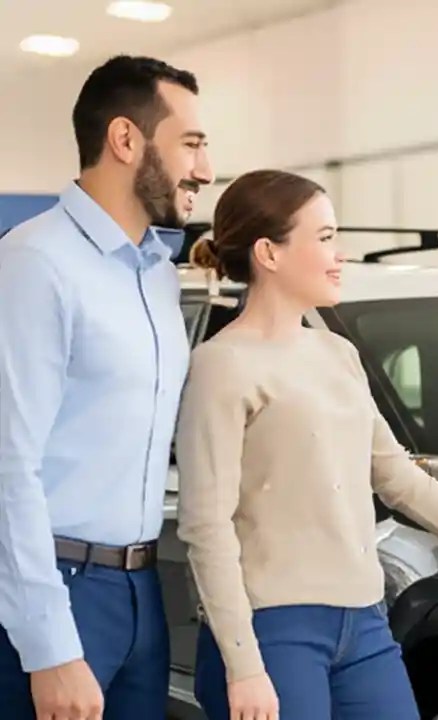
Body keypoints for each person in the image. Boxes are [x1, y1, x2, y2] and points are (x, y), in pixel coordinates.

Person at [175, 168, 438, 720]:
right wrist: (244, 667)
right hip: (271, 628)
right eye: (326, 238)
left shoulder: (336, 353)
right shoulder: (221, 366)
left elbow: (399, 479)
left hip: (363, 621)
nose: (340, 256)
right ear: (269, 252)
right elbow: (206, 526)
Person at [0, 55, 212, 720]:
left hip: (141, 589)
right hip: (58, 592)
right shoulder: (36, 263)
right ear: (126, 140)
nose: (203, 170)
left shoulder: (155, 273)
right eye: (191, 144)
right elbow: (9, 464)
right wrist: (50, 646)